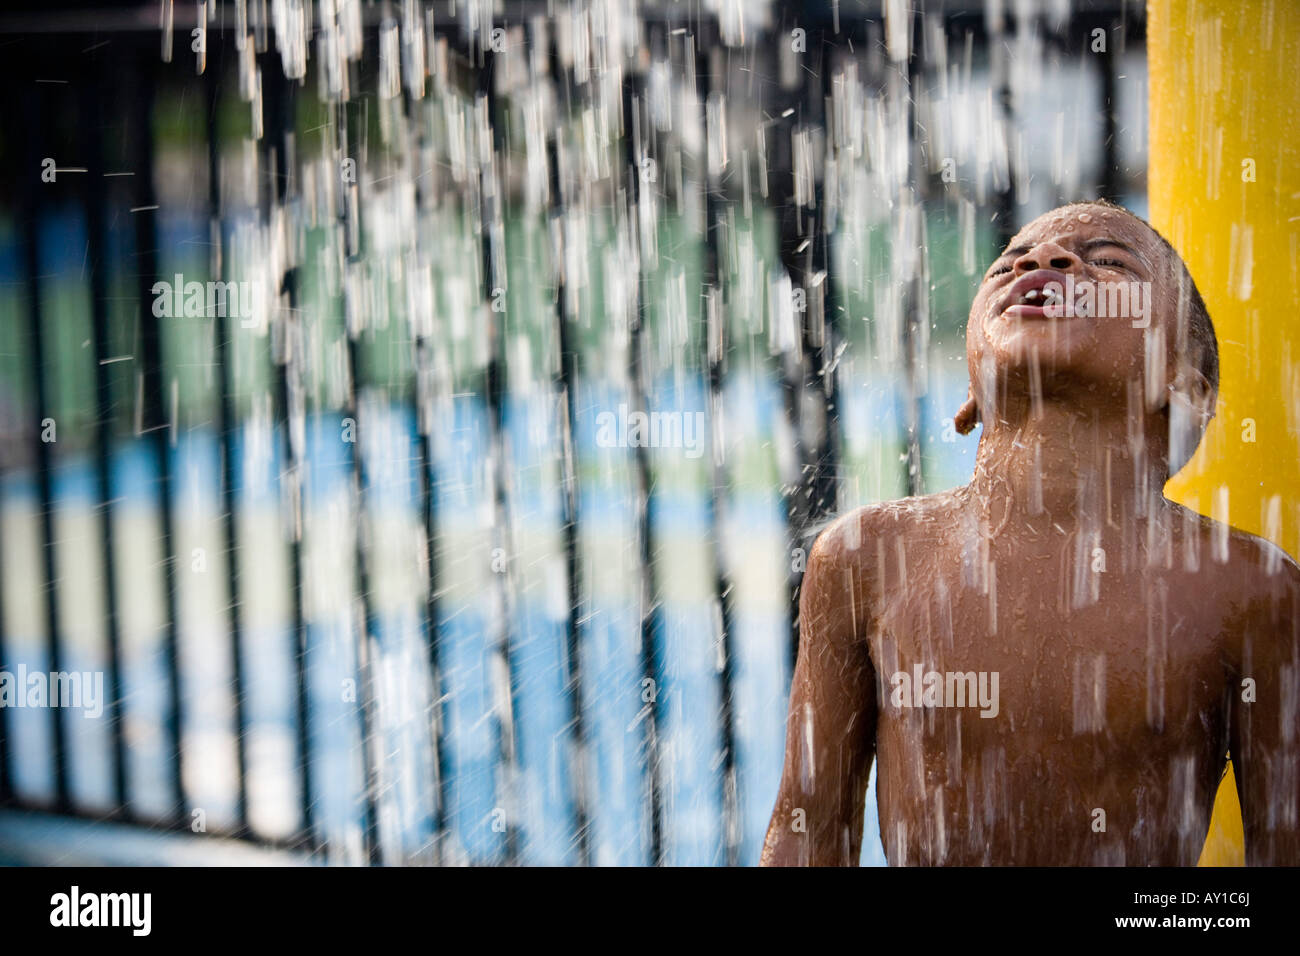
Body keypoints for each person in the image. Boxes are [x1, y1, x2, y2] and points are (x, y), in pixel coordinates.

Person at [760, 200, 1300, 866]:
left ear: (1181, 386)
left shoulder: (1247, 589)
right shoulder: (868, 556)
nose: (1043, 261)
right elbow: (807, 828)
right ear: (971, 394)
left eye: (1108, 262)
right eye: (1012, 262)